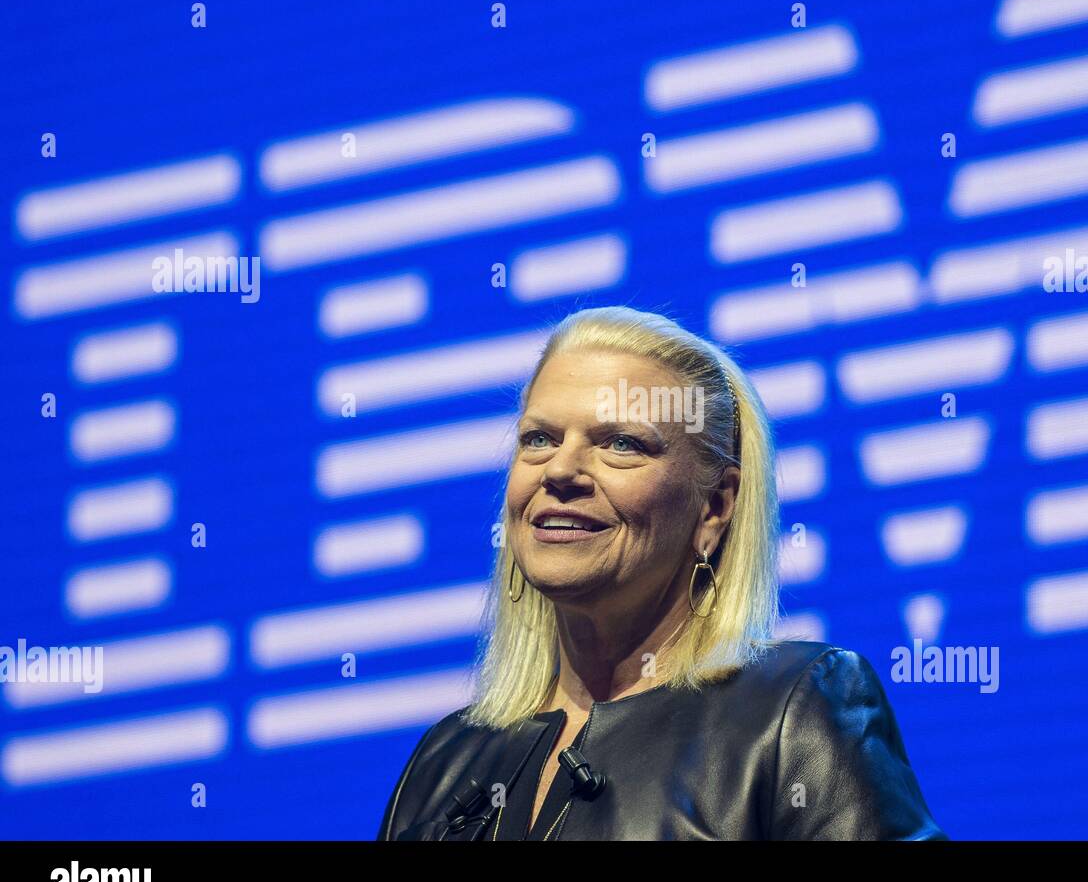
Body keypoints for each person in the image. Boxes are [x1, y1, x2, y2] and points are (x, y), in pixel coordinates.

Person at [377, 306, 946, 841]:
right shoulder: (443, 764)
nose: (562, 470)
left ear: (715, 506)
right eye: (539, 439)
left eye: (621, 444)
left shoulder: (788, 715)